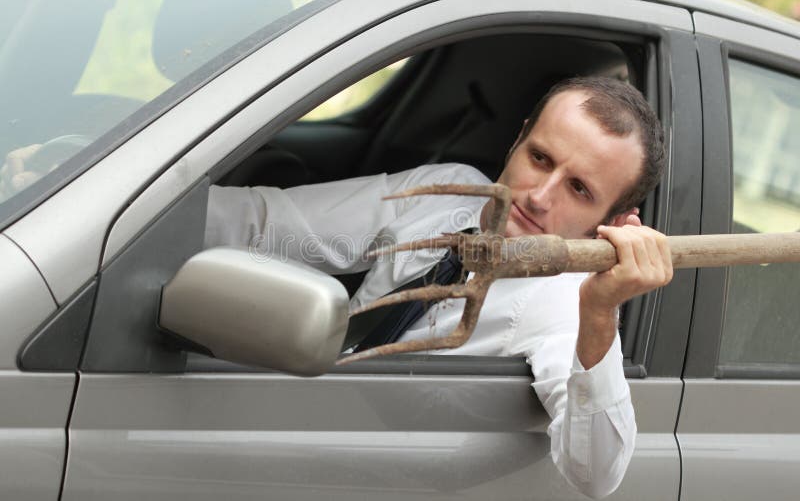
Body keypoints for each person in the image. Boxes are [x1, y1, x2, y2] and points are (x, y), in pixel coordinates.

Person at [205, 76, 673, 499]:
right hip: (283, 426)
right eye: (540, 158)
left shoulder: (563, 305)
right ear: (519, 138)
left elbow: (595, 475)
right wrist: (147, 214)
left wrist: (598, 312)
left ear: (609, 223)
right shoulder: (448, 189)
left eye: (579, 189)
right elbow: (268, 224)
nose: (540, 196)